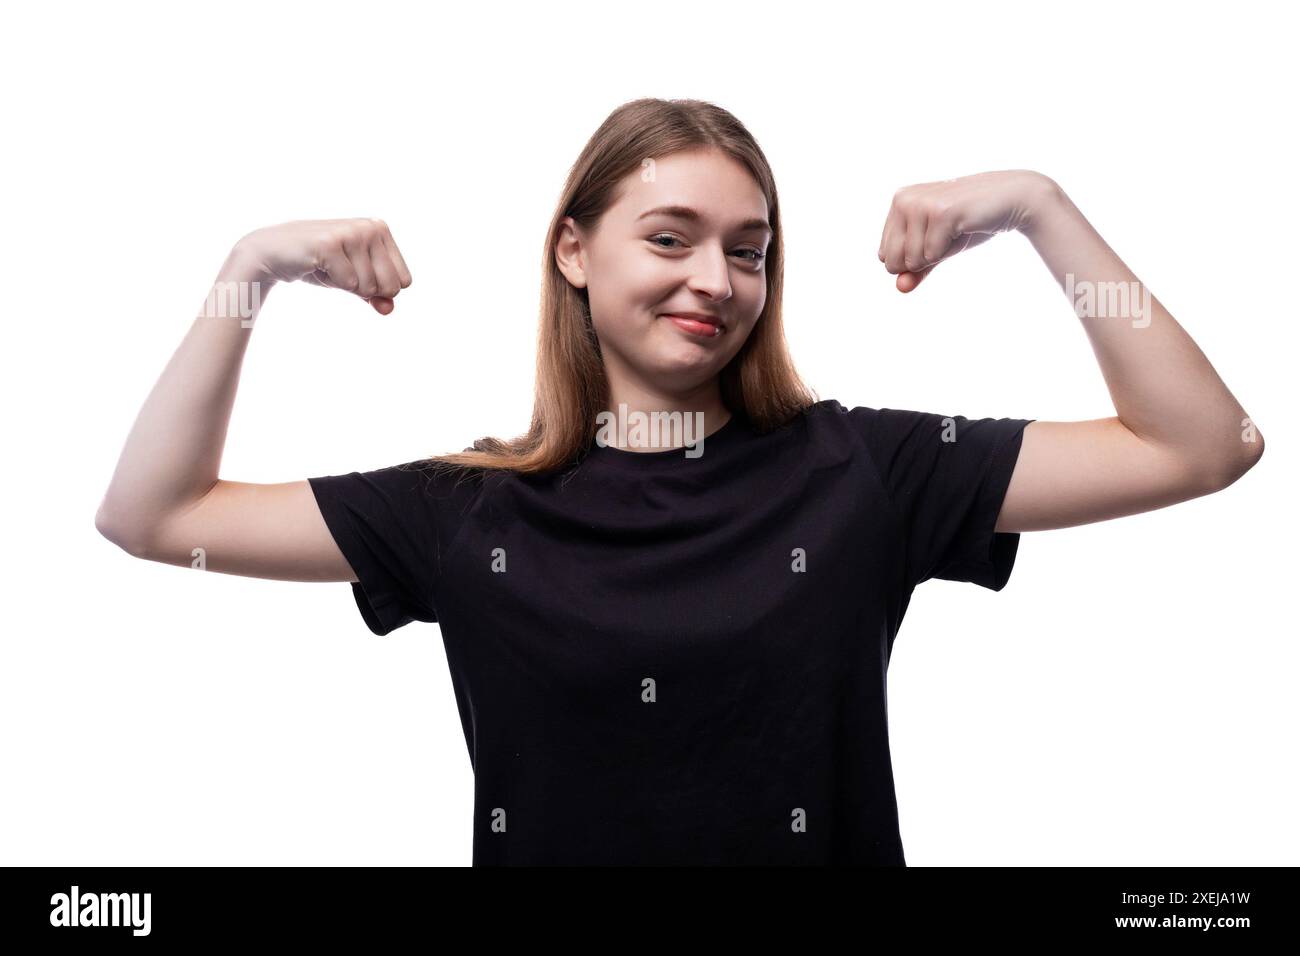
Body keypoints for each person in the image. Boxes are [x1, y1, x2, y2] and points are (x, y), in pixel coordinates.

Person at [94, 98, 1264, 866]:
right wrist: (248, 272)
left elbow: (1202, 445)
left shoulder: (863, 471)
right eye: (670, 237)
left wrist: (1037, 207)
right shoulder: (465, 508)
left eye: (748, 249)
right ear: (573, 250)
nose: (717, 277)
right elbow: (154, 516)